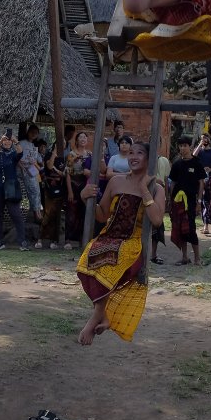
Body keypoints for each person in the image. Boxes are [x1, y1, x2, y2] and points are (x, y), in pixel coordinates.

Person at [76, 139, 165, 344]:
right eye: (131, 152)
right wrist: (85, 197)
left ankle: (93, 321)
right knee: (84, 266)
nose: (133, 157)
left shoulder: (156, 189)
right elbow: (101, 215)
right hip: (108, 236)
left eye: (139, 153)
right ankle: (104, 316)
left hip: (131, 245)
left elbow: (157, 220)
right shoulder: (116, 182)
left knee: (109, 268)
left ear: (149, 158)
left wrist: (144, 189)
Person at [169, 137, 206, 266]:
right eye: (180, 146)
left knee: (191, 228)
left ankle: (197, 258)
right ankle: (184, 257)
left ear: (190, 146)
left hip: (190, 201)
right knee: (180, 228)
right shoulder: (177, 164)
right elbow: (172, 183)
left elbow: (201, 183)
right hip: (178, 201)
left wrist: (199, 201)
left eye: (185, 145)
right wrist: (170, 200)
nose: (182, 148)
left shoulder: (197, 163)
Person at [0, 132, 28, 252]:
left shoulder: (13, 155)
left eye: (8, 141)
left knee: (16, 214)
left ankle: (22, 242)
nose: (7, 142)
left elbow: (20, 153)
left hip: (11, 188)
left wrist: (16, 141)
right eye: (5, 141)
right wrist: (0, 140)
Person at [64, 130, 92, 249]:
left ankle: (82, 240)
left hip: (85, 185)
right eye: (80, 137)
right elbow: (67, 174)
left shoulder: (90, 155)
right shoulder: (71, 154)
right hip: (73, 184)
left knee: (83, 212)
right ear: (76, 140)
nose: (82, 139)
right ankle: (68, 240)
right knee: (71, 213)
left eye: (84, 137)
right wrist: (70, 191)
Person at [36, 144, 65, 250]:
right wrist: (55, 151)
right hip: (49, 189)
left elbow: (64, 173)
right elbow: (49, 166)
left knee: (56, 215)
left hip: (60, 189)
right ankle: (40, 239)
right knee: (48, 214)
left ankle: (54, 240)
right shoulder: (49, 155)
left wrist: (57, 171)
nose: (63, 144)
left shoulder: (64, 157)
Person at [149, 150, 171, 265]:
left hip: (159, 194)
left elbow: (166, 180)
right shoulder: (145, 160)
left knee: (158, 226)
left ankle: (153, 254)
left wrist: (166, 196)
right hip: (146, 194)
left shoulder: (164, 160)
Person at [19, 124, 43, 221]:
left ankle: (38, 211)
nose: (33, 134)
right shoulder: (21, 143)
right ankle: (36, 214)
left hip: (32, 168)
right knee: (34, 189)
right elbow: (16, 157)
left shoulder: (34, 146)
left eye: (36, 133)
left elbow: (40, 160)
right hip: (23, 168)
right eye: (32, 132)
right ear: (28, 132)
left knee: (37, 190)